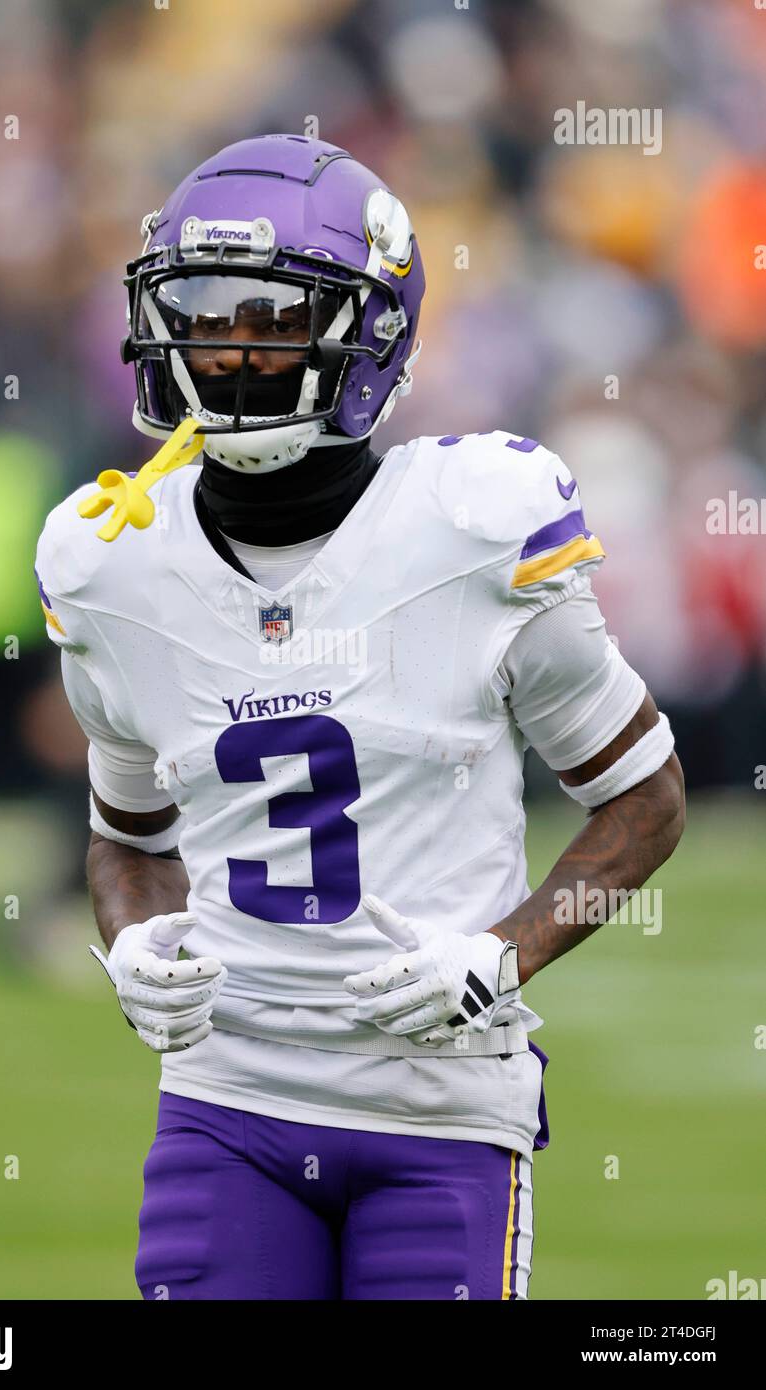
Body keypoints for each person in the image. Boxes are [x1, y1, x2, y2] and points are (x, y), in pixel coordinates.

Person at [35, 134, 685, 1300]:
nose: (223, 349)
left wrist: (502, 952)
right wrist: (134, 935)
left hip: (436, 1111)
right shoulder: (109, 560)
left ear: (367, 334)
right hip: (224, 1105)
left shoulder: (476, 526)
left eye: (271, 319)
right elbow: (127, 835)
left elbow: (642, 796)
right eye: (196, 313)